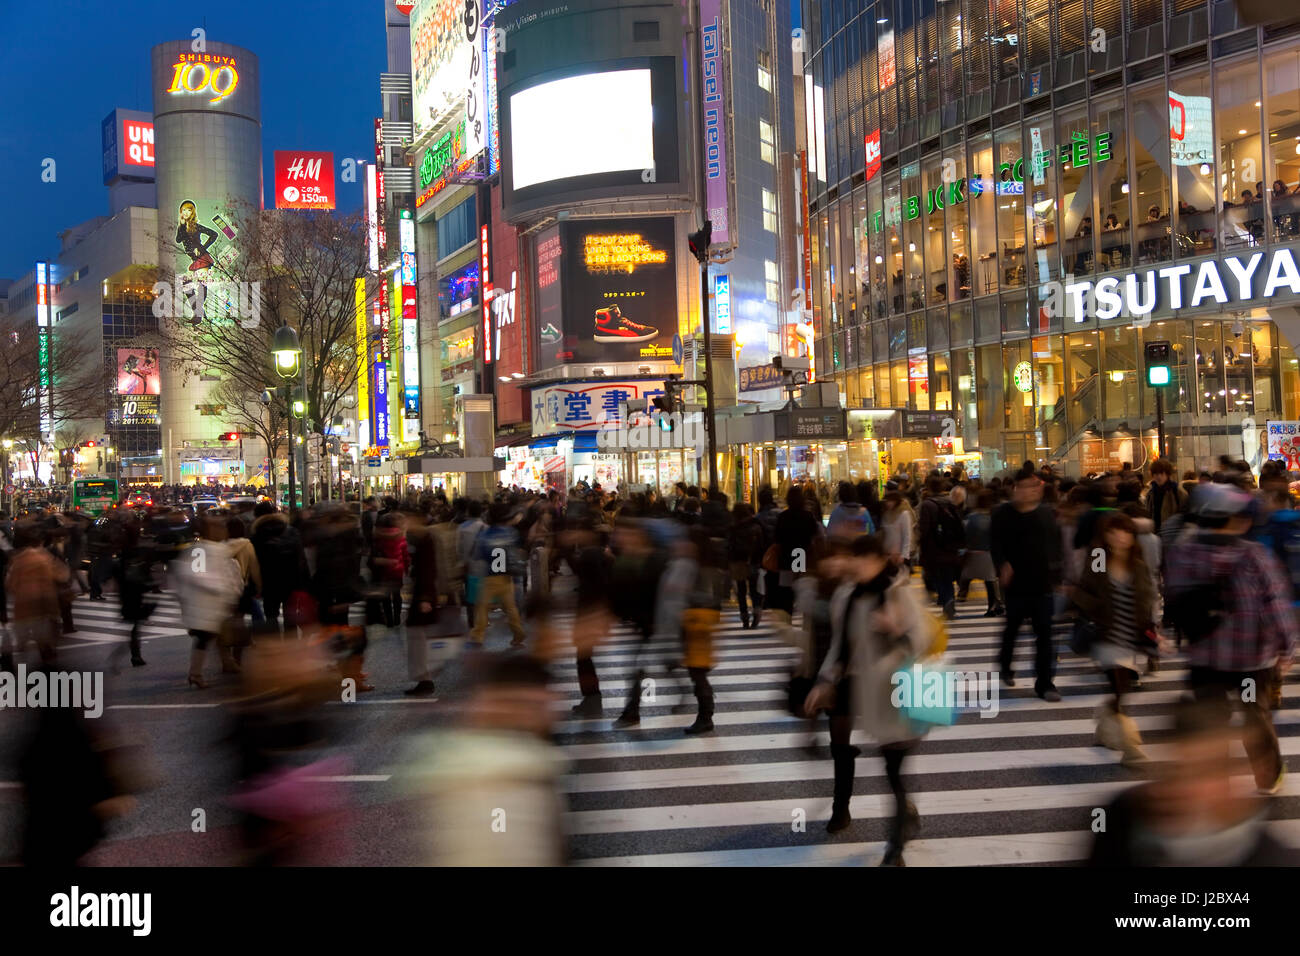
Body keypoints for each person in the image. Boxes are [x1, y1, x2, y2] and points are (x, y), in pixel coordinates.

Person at [1164, 483, 1296, 795]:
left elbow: (1173, 599)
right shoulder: (1252, 555)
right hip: (1250, 659)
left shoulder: (1182, 554)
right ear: (1234, 519)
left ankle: (1215, 780)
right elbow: (1275, 602)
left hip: (1205, 658)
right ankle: (1268, 777)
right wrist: (1287, 646)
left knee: (1211, 720)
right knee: (1254, 715)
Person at [803, 534, 928, 863]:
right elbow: (840, 645)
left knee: (893, 772)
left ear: (876, 560)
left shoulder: (901, 592)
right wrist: (825, 680)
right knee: (877, 763)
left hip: (898, 691)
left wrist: (895, 629)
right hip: (860, 684)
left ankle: (895, 848)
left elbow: (924, 642)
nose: (852, 564)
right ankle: (850, 809)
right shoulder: (847, 595)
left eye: (858, 558)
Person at [1089, 697, 1299, 865]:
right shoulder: (1124, 816)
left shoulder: (1265, 854)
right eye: (1179, 770)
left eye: (1207, 771)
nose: (1191, 786)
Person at [1070, 513, 1156, 767]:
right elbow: (1084, 592)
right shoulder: (1098, 560)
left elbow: (1148, 598)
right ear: (1106, 536)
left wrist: (1153, 633)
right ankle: (1130, 750)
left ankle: (1104, 723)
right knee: (1121, 689)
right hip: (1106, 636)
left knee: (1122, 690)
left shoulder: (1137, 564)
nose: (1121, 537)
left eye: (1126, 532)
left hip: (1131, 637)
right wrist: (1090, 604)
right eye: (1115, 532)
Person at [990, 465, 1063, 701]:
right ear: (1015, 488)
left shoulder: (1046, 514)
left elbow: (1056, 547)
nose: (1032, 491)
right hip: (1015, 585)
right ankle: (1005, 664)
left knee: (1045, 635)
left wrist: (1059, 578)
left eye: (1036, 486)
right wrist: (1002, 564)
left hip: (1042, 584)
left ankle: (1045, 684)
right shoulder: (1002, 514)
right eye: (1027, 487)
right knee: (1012, 629)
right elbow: (995, 543)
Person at [470, 502, 527, 647]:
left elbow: (478, 555)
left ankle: (478, 636)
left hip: (490, 577)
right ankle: (518, 634)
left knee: (482, 606)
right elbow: (516, 549)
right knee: (511, 608)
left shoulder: (484, 535)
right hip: (506, 577)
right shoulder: (510, 533)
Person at [917, 475, 965, 619]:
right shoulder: (950, 502)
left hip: (933, 548)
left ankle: (947, 602)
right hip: (950, 547)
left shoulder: (927, 504)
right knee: (947, 576)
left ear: (929, 487)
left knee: (938, 577)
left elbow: (924, 530)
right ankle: (949, 603)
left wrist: (920, 543)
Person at [960, 489, 1004, 616]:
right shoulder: (993, 518)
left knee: (966, 575)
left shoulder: (970, 518)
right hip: (987, 553)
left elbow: (965, 534)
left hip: (972, 553)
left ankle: (962, 592)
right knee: (990, 582)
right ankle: (993, 606)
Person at [727, 501, 763, 629]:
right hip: (753, 561)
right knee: (754, 590)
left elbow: (730, 546)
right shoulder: (756, 525)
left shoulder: (733, 527)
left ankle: (744, 617)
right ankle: (757, 611)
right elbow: (761, 544)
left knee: (741, 591)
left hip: (738, 562)